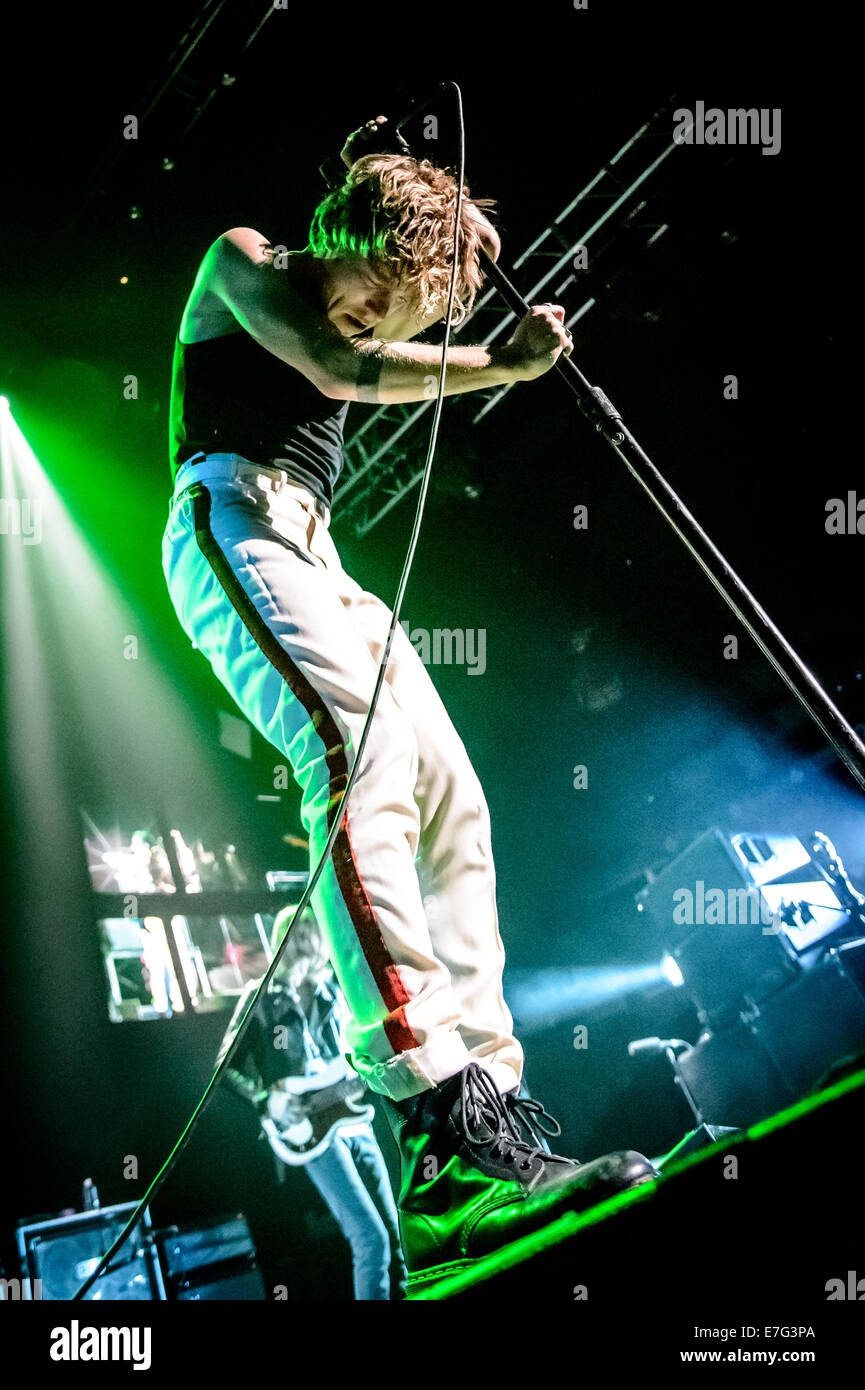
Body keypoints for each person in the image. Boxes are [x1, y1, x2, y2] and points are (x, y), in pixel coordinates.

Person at [162, 115, 657, 1288]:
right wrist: (500, 364)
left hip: (318, 550)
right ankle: (431, 1113)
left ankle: (491, 1128)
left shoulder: (358, 309)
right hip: (229, 524)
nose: (383, 328)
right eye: (388, 292)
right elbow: (338, 372)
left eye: (410, 319)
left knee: (450, 797)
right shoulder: (245, 261)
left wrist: (482, 333)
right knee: (361, 757)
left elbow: (359, 359)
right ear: (360, 236)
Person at [216, 906, 407, 1300]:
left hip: (353, 1119)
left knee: (395, 1233)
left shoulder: (333, 992)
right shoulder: (261, 998)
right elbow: (224, 1068)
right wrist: (265, 1100)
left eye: (310, 932)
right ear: (281, 941)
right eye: (296, 933)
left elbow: (352, 1061)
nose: (305, 941)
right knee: (369, 1238)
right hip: (309, 1129)